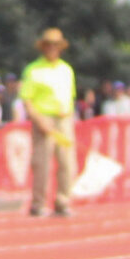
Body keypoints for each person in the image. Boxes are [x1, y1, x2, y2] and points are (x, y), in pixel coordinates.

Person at [21, 28, 77, 218]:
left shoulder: (66, 70)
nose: (52, 48)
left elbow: (70, 97)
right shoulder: (33, 70)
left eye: (55, 45)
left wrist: (68, 117)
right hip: (43, 116)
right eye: (49, 45)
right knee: (42, 163)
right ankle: (38, 203)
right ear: (43, 47)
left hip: (63, 118)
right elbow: (27, 100)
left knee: (66, 163)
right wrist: (39, 120)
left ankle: (63, 201)